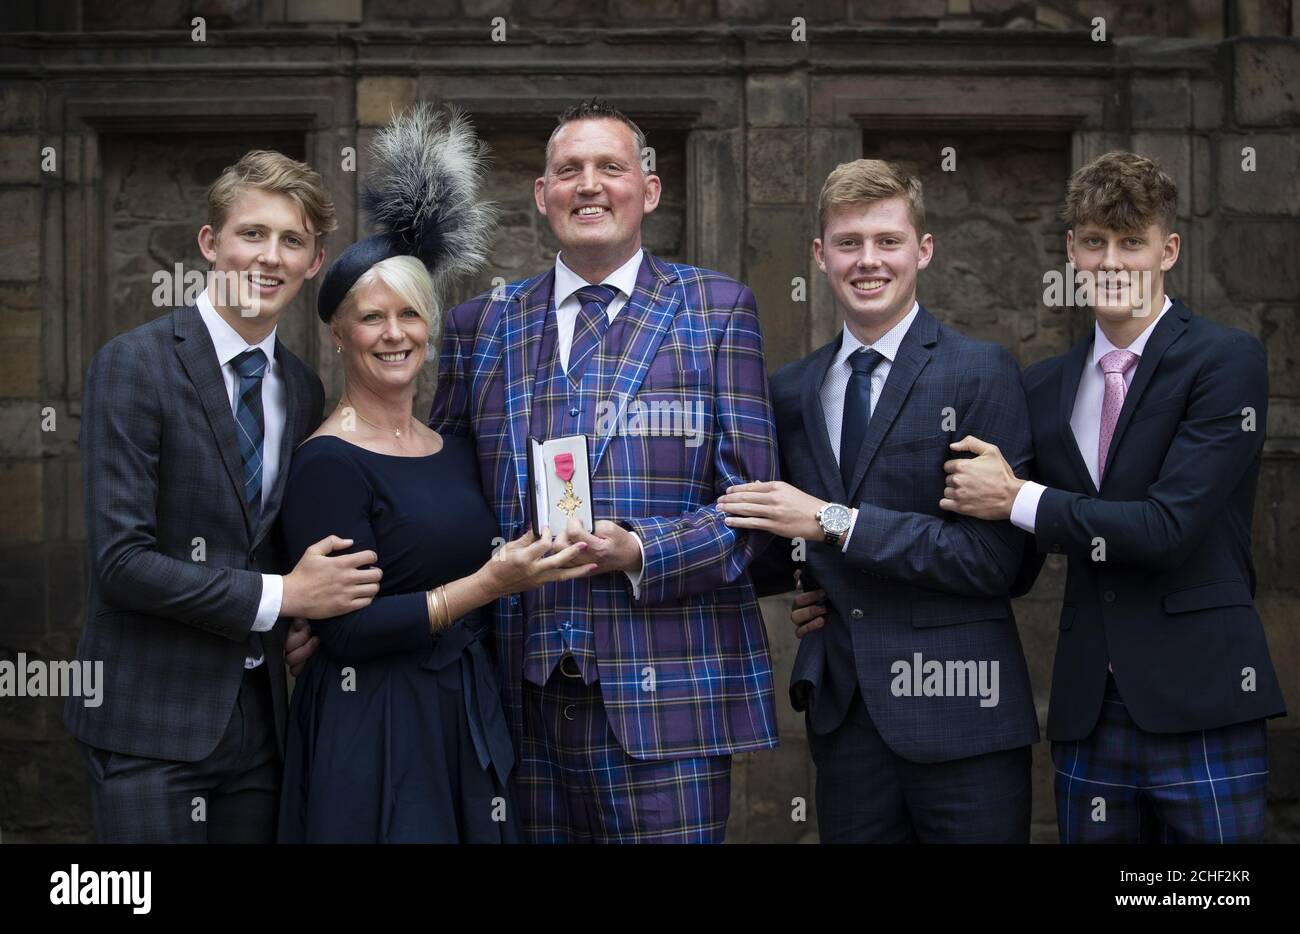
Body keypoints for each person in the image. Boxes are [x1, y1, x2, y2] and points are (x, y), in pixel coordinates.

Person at [428, 99, 780, 843]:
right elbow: (441, 500)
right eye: (568, 171)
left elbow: (754, 511)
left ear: (647, 191)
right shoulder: (479, 325)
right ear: (542, 194)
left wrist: (642, 550)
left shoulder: (717, 311)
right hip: (517, 703)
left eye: (610, 168)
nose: (588, 186)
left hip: (666, 704)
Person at [939, 151, 1286, 843]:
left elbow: (1167, 529)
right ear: (1071, 249)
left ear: (1169, 250)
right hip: (1087, 710)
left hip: (1202, 699)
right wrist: (838, 569)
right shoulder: (1042, 385)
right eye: (1095, 241)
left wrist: (1016, 497)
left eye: (1133, 242)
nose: (1113, 261)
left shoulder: (1226, 361)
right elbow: (1009, 561)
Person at [276, 106, 596, 843]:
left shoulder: (452, 444)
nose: (395, 334)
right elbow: (349, 634)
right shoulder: (328, 461)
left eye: (411, 315)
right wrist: (487, 585)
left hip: (462, 704)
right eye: (372, 318)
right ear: (339, 335)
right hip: (375, 722)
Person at [66, 150, 384, 843]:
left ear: (312, 261)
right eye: (252, 233)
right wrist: (283, 598)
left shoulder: (300, 389)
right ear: (211, 244)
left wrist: (302, 624)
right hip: (150, 728)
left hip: (261, 727)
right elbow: (122, 562)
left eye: (292, 241)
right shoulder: (135, 364)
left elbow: (266, 541)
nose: (269, 258)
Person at [722, 159, 1039, 843]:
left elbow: (992, 564)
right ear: (820, 255)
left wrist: (833, 524)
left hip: (964, 715)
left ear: (922, 250)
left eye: (888, 241)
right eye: (849, 242)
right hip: (847, 719)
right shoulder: (791, 392)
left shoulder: (980, 371)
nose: (869, 261)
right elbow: (779, 541)